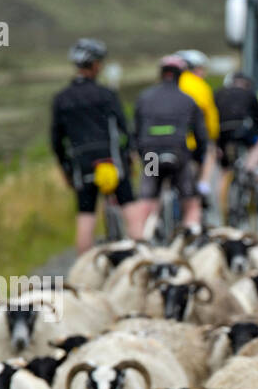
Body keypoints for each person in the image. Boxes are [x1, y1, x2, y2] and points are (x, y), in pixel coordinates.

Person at [50, 38, 137, 253]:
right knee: (130, 209)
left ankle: (84, 271)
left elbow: (56, 140)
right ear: (96, 65)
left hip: (82, 164)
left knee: (86, 215)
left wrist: (66, 169)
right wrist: (129, 157)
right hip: (111, 160)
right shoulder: (107, 95)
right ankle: (140, 255)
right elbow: (125, 129)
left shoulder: (61, 99)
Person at [131, 55, 209, 234]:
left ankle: (140, 240)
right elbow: (201, 135)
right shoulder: (188, 100)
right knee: (191, 201)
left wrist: (140, 152)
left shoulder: (145, 97)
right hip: (178, 152)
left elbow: (135, 132)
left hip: (151, 154)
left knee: (147, 198)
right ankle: (192, 237)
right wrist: (198, 157)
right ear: (180, 75)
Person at [214, 72, 258, 212]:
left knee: (225, 170)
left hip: (221, 132)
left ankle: (224, 207)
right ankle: (249, 169)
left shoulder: (218, 93)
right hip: (243, 130)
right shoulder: (249, 94)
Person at [175, 49, 221, 220]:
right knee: (209, 153)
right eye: (201, 68)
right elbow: (210, 117)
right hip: (192, 143)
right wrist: (213, 138)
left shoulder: (173, 84)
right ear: (193, 68)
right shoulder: (201, 86)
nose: (203, 72)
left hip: (168, 142)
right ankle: (203, 186)